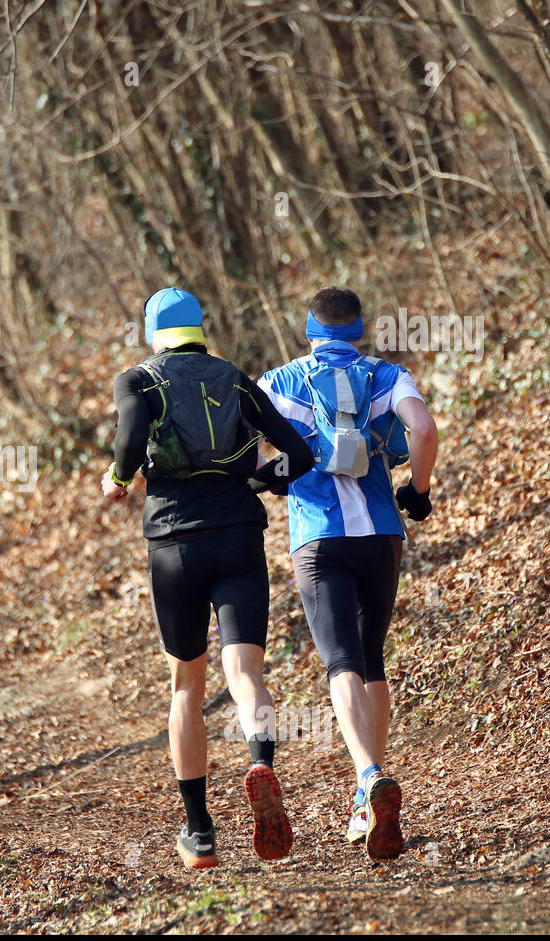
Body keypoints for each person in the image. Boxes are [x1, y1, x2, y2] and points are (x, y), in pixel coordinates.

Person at [102, 287, 314, 869]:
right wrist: (266, 477)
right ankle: (262, 764)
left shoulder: (137, 380)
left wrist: (120, 478)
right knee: (245, 673)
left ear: (153, 333)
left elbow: (127, 439)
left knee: (187, 688)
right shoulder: (235, 378)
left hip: (174, 544)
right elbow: (299, 454)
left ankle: (199, 834)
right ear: (200, 327)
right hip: (238, 536)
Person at [257, 286, 439, 861]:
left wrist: (274, 476)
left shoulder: (278, 382)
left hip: (319, 539)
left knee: (341, 663)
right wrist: (419, 489)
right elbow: (425, 432)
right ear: (358, 328)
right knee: (371, 660)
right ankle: (368, 804)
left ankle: (367, 775)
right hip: (381, 535)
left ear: (309, 330)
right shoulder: (387, 374)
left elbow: (254, 459)